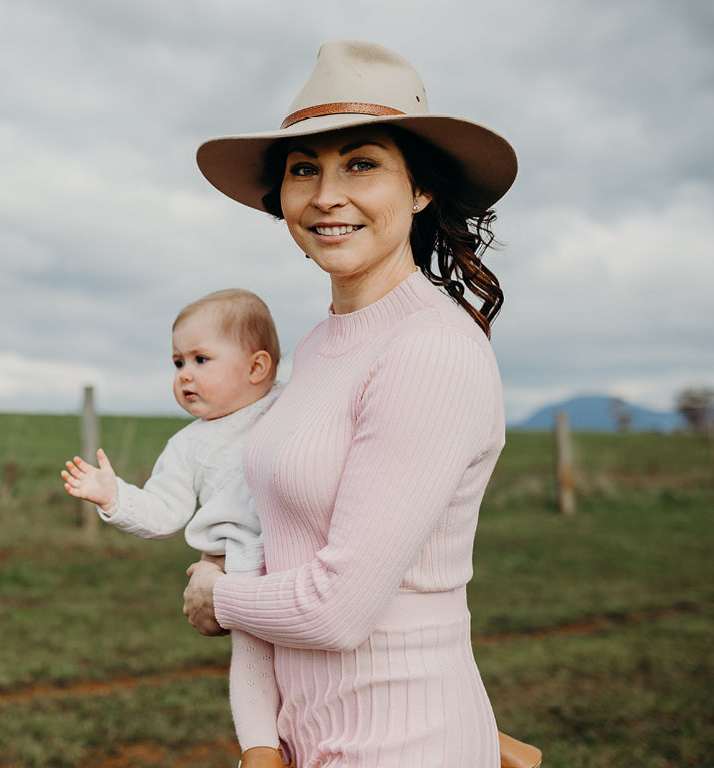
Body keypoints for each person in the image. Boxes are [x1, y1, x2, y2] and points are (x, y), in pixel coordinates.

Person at [183, 40, 542, 768]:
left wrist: (216, 596)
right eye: (303, 168)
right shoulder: (319, 345)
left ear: (421, 189)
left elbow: (338, 609)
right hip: (311, 736)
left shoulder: (431, 350)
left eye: (362, 163)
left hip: (404, 741)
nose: (326, 195)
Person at [61, 288, 290, 768]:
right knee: (252, 662)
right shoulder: (189, 445)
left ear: (257, 367)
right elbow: (165, 511)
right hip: (237, 567)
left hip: (296, 554)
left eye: (200, 359)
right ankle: (260, 749)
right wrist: (115, 497)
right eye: (177, 362)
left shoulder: (292, 402)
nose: (184, 373)